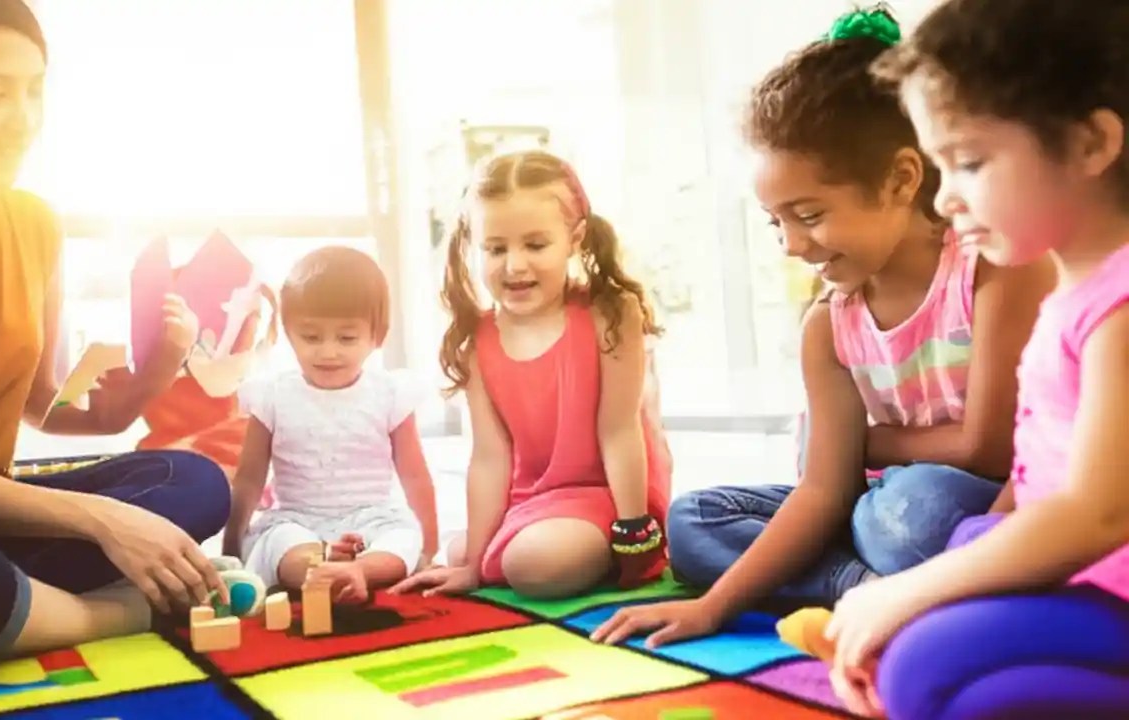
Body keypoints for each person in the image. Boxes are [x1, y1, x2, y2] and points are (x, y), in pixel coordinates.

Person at [592, 5, 1052, 648]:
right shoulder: (828, 324)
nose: (789, 243)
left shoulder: (990, 268)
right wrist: (712, 609)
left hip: (967, 502)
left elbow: (987, 449)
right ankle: (859, 587)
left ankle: (879, 576)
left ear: (900, 179)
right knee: (696, 523)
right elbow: (820, 489)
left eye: (808, 215)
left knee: (914, 513)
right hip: (862, 509)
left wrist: (867, 443)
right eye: (775, 221)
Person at [0, 0, 229, 706]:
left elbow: (45, 406)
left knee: (195, 481)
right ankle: (112, 614)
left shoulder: (34, 225)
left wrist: (152, 374)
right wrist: (100, 521)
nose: (25, 116)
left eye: (35, 87)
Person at [824, 1, 1129, 717]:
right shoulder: (1073, 288)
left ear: (1090, 144)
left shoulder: (1120, 307)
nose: (946, 195)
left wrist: (906, 594)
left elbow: (1098, 513)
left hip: (1108, 567)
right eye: (938, 165)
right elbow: (1034, 474)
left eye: (968, 161)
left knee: (922, 666)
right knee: (941, 626)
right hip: (1087, 565)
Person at [391, 150, 671, 600]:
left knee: (529, 563)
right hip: (532, 500)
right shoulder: (478, 342)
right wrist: (474, 567)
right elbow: (489, 457)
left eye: (535, 245)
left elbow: (619, 432)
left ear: (575, 238)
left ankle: (565, 551)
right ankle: (510, 550)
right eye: (496, 249)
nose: (514, 265)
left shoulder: (611, 314)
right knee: (463, 550)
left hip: (604, 495)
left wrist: (635, 531)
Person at [221, 246, 439, 603]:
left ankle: (358, 571)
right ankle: (325, 567)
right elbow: (249, 477)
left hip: (371, 521)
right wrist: (233, 547)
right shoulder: (272, 396)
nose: (327, 352)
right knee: (280, 543)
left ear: (376, 337)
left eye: (346, 338)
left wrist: (427, 549)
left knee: (402, 538)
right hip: (300, 523)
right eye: (311, 337)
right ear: (289, 334)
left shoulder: (390, 394)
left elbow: (415, 475)